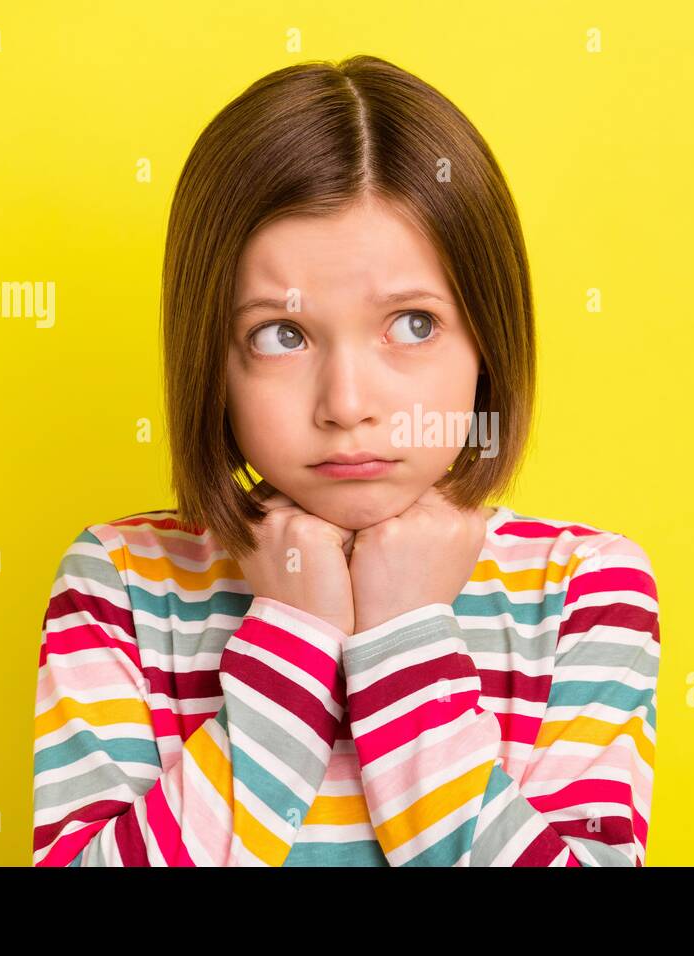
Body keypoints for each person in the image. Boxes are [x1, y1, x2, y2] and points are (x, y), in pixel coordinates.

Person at [32, 54, 660, 866]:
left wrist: (403, 638)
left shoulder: (585, 589)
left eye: (412, 324)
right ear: (210, 363)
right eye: (282, 335)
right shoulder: (120, 584)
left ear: (488, 343)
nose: (348, 402)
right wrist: (295, 640)